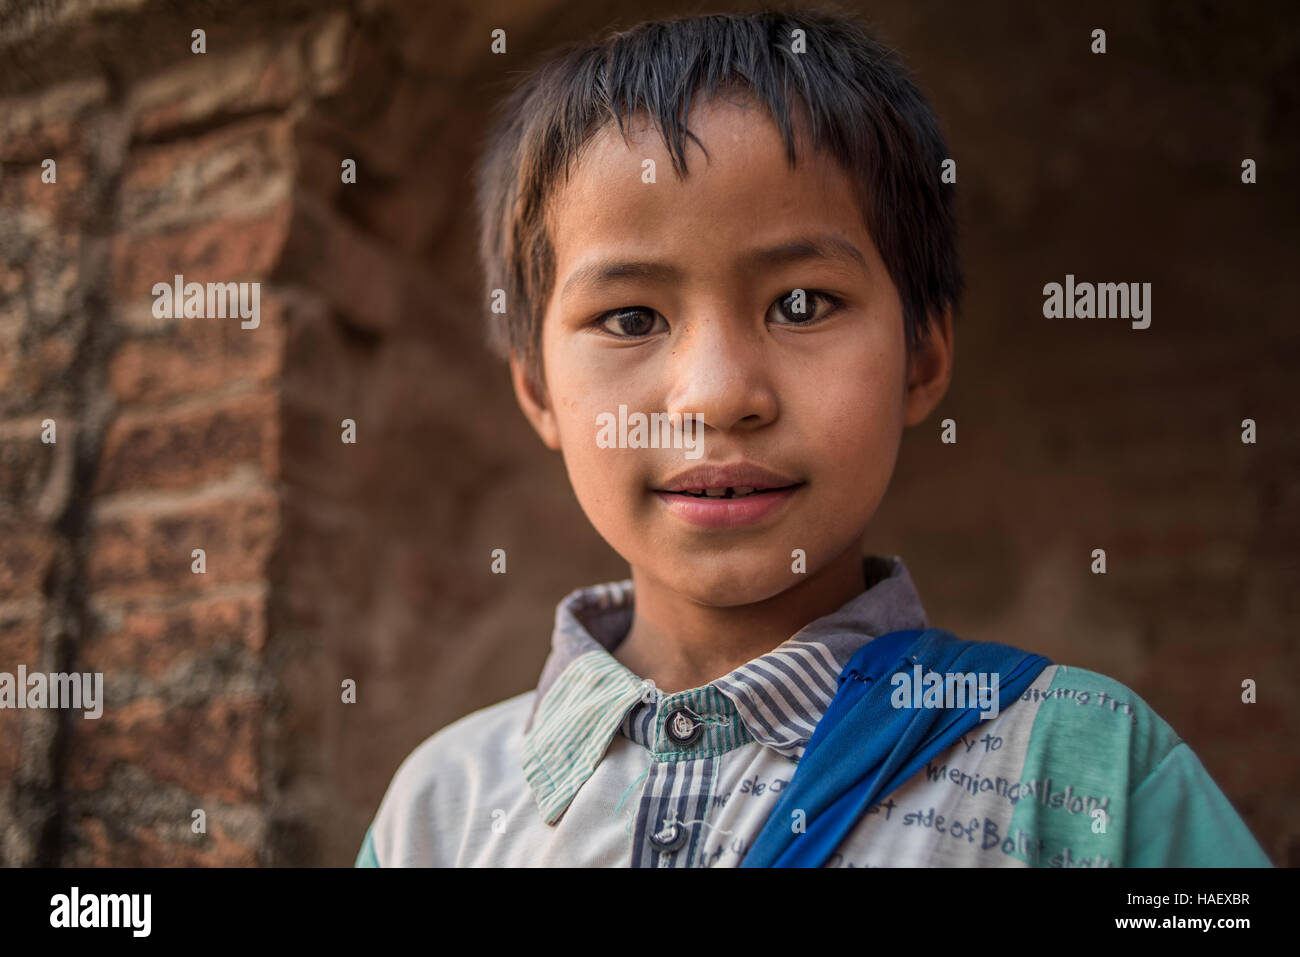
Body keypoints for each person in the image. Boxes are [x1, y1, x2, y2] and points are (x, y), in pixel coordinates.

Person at [354, 8, 1270, 867]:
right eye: (630, 317)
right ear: (537, 388)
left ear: (921, 358)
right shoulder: (440, 811)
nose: (717, 395)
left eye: (801, 304)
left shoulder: (1085, 768)